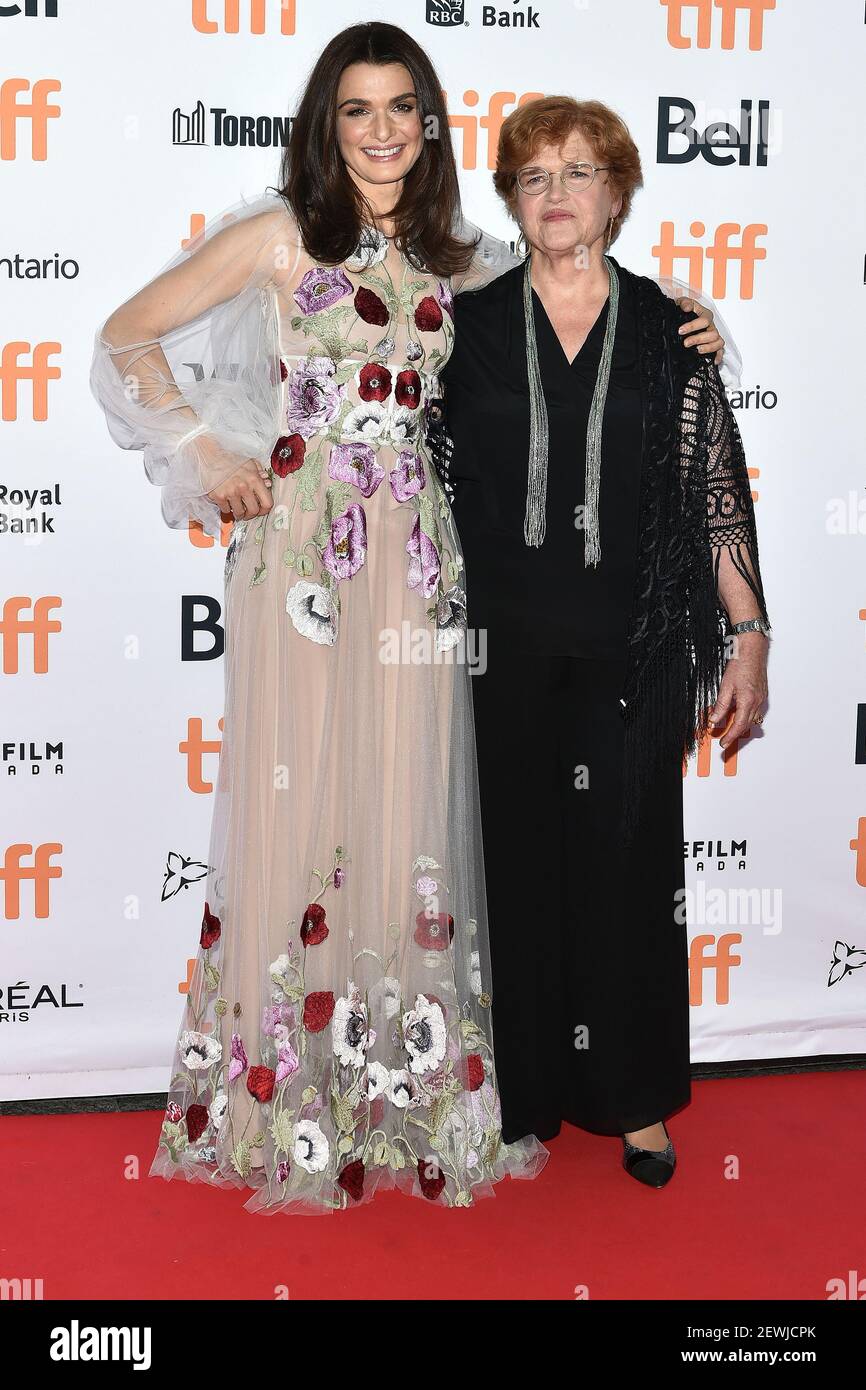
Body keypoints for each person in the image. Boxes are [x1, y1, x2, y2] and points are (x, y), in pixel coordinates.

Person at [89, 22, 553, 1214]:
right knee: (296, 806)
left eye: (403, 107)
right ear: (325, 121)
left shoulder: (458, 256)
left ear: (430, 123)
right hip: (297, 549)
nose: (383, 130)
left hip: (413, 556)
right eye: (358, 109)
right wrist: (206, 452)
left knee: (403, 801)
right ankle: (276, 1098)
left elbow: (570, 289)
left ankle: (398, 1101)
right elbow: (123, 337)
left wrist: (686, 321)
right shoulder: (276, 236)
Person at [431, 97, 770, 1188]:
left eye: (579, 171)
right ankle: (524, 1090)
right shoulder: (463, 327)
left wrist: (748, 632)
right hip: (500, 652)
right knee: (515, 873)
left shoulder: (673, 330)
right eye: (532, 176)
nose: (557, 192)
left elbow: (712, 490)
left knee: (626, 874)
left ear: (618, 193)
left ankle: (630, 1099)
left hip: (634, 648)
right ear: (510, 202)